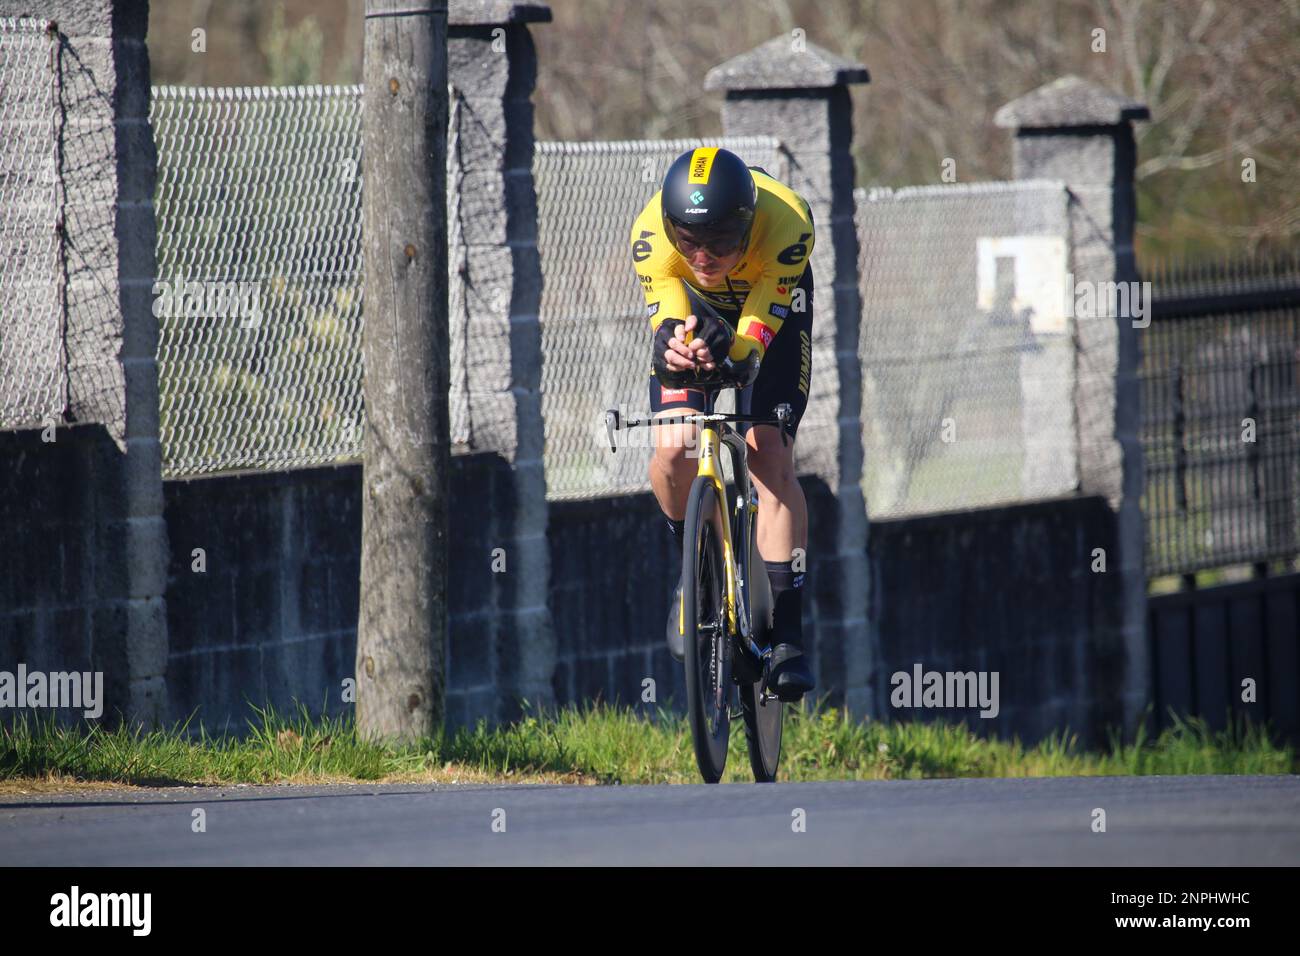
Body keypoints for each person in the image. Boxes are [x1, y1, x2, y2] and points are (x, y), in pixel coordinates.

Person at [628, 146, 815, 701]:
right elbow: (667, 322)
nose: (704, 257)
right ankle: (694, 570)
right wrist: (673, 349)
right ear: (669, 229)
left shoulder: (788, 225)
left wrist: (734, 348)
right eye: (689, 242)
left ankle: (787, 633)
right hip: (695, 311)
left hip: (768, 311)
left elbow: (753, 349)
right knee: (673, 448)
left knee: (768, 454)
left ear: (748, 226)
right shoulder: (649, 236)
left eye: (722, 243)